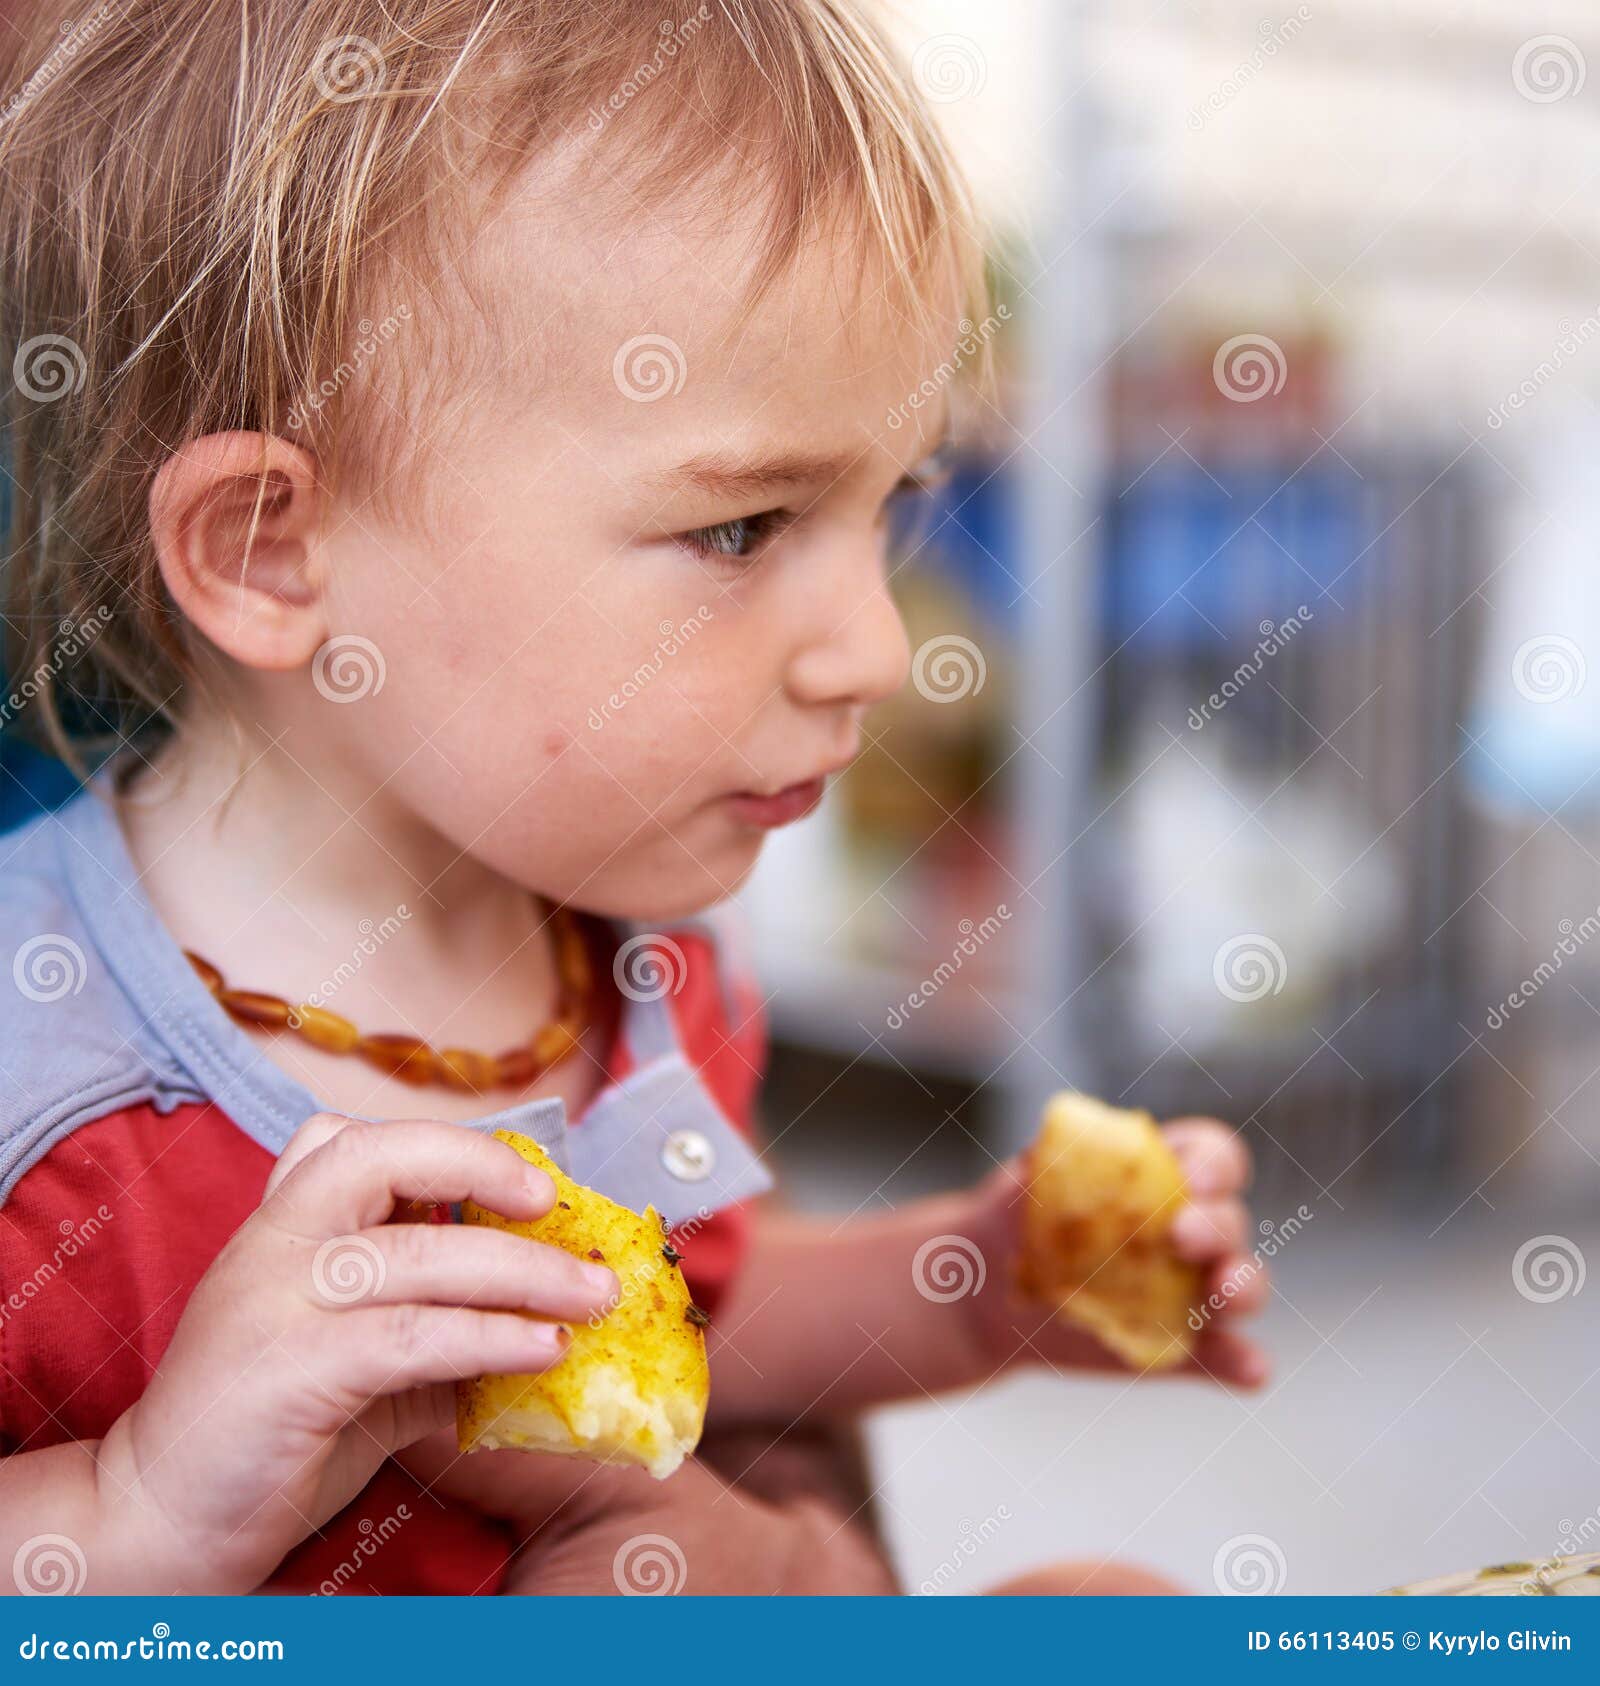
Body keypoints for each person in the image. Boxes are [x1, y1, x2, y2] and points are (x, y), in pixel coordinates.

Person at [0, 0, 1266, 1595]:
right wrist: (133, 1502)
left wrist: (964, 1286)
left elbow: (681, 1341)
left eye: (896, 507)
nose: (876, 649)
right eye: (742, 529)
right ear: (270, 547)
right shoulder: (37, 1069)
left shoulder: (635, 958)